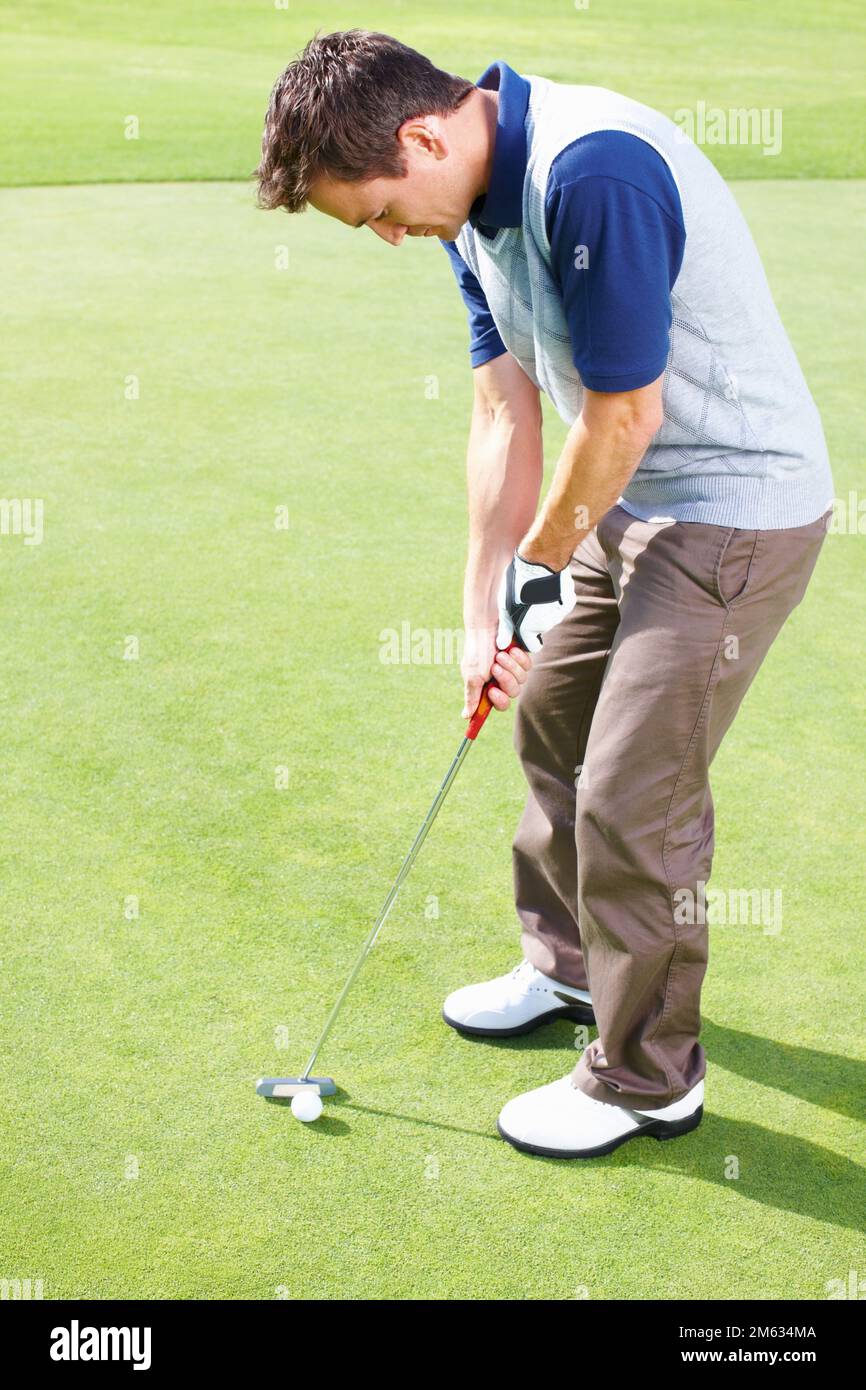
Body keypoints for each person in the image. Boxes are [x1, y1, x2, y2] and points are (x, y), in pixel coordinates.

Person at [255, 29, 834, 1158]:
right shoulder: (463, 206)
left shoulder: (590, 171)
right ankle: (566, 968)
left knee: (633, 793)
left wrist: (540, 559)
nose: (384, 235)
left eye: (375, 209)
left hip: (733, 508)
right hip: (622, 497)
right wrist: (482, 606)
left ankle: (644, 1077)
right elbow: (501, 412)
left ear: (420, 137)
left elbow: (623, 413)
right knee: (552, 721)